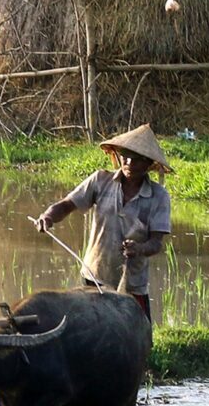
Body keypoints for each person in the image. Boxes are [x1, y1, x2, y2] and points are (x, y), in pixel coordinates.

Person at [35, 124, 173, 320]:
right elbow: (67, 204)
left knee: (136, 336)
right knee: (89, 330)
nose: (128, 162)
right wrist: (48, 216)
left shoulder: (158, 196)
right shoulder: (101, 180)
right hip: (95, 275)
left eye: (136, 158)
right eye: (125, 155)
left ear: (148, 163)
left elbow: (156, 242)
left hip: (132, 281)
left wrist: (139, 249)